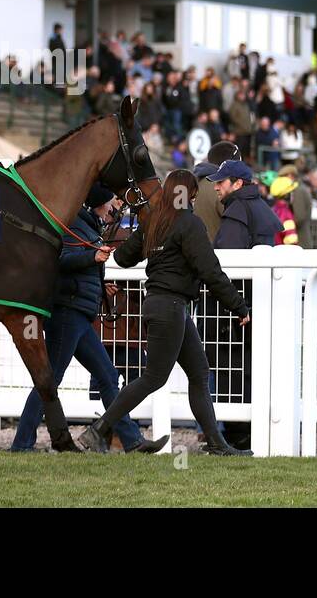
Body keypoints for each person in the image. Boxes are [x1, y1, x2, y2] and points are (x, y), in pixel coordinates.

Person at [77, 170, 253, 456]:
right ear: (189, 194)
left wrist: (146, 232)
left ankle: (217, 444)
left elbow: (122, 258)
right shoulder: (190, 224)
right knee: (154, 377)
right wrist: (238, 306)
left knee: (198, 372)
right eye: (193, 194)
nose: (194, 199)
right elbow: (210, 271)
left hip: (163, 306)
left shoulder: (155, 222)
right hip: (171, 308)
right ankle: (98, 430)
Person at [11, 183, 166, 453]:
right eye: (110, 203)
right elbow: (63, 260)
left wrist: (99, 283)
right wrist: (92, 257)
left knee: (107, 375)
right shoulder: (74, 224)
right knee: (49, 380)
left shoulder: (87, 225)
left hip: (78, 314)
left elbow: (78, 263)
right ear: (99, 203)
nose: (114, 208)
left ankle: (132, 441)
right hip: (67, 313)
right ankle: (21, 443)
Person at [206, 159, 279, 449]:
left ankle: (237, 437)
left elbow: (227, 265)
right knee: (248, 369)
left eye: (221, 182)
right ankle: (245, 433)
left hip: (234, 312)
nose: (216, 186)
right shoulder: (258, 207)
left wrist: (234, 305)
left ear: (237, 184)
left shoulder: (237, 211)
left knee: (229, 371)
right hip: (253, 305)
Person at [192, 141, 241, 240]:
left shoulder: (197, 182)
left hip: (199, 250)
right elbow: (237, 227)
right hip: (221, 252)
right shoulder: (221, 187)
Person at [268, 176, 301, 245]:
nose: (293, 194)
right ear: (287, 195)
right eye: (292, 192)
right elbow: (291, 240)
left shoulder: (272, 209)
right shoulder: (286, 214)